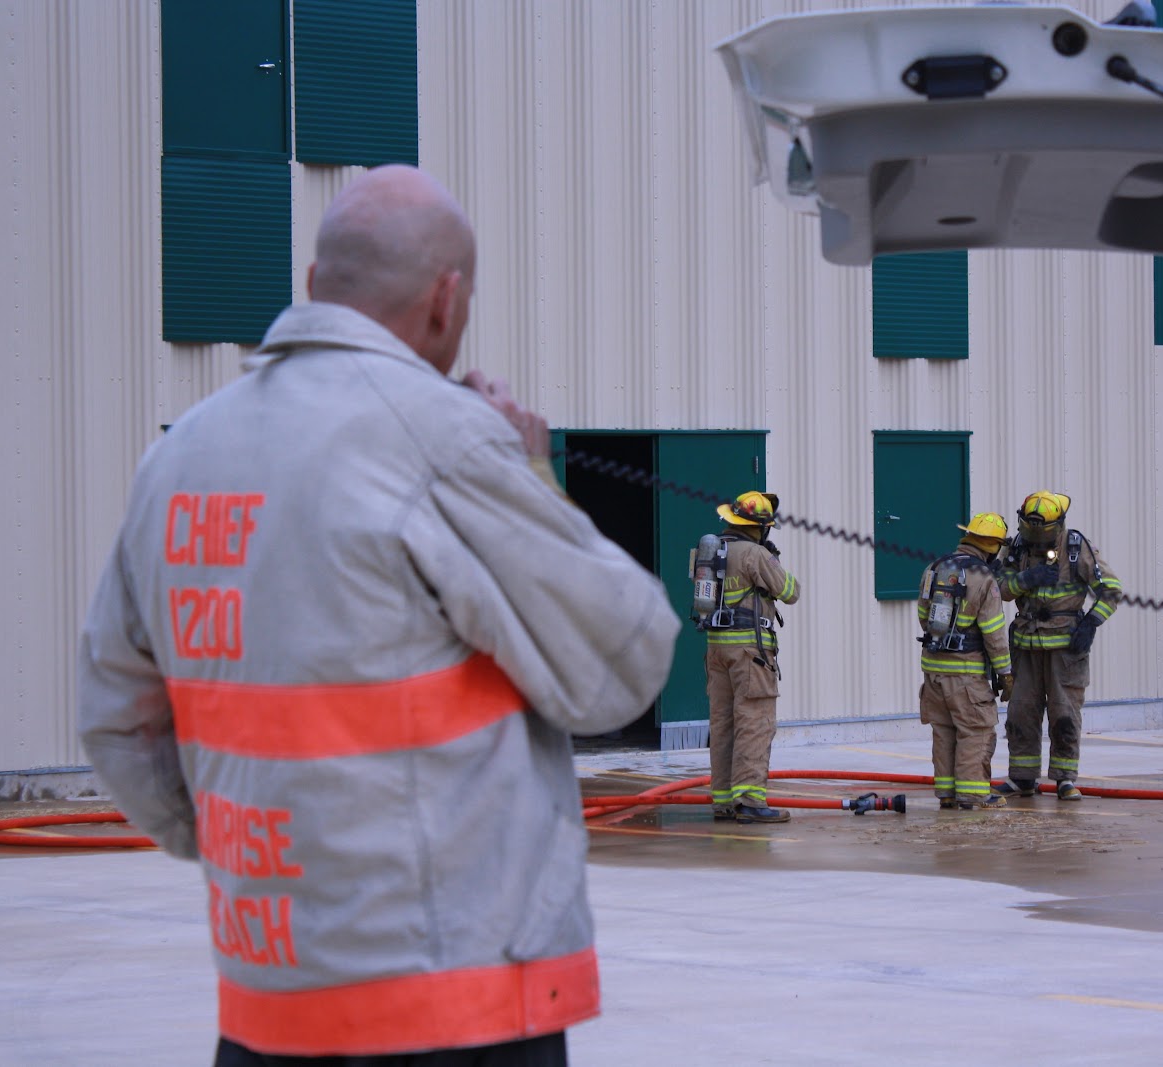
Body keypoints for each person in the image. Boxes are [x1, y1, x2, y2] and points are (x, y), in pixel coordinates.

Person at [77, 165, 680, 1066]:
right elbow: (623, 659)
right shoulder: (442, 439)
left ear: (317, 284)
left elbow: (115, 721)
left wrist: (256, 856)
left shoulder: (178, 456)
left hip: (267, 1006)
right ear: (447, 302)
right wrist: (526, 472)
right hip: (452, 1009)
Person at [993, 491, 1122, 801]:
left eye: (1044, 531)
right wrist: (1027, 578)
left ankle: (1064, 779)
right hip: (1026, 645)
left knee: (1065, 713)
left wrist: (1091, 623)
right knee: (1021, 712)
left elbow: (1111, 590)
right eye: (1031, 529)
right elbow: (998, 588)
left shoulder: (1076, 547)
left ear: (1059, 525)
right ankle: (1022, 778)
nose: (1037, 537)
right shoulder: (1016, 548)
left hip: (1066, 647)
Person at [701, 490, 802, 824]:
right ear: (760, 527)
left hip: (716, 649)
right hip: (750, 654)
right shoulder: (755, 554)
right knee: (754, 722)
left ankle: (723, 801)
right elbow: (791, 593)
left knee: (724, 724)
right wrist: (772, 559)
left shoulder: (711, 551)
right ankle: (750, 801)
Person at [917, 513, 1015, 810]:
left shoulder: (934, 568)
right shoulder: (985, 579)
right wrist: (1006, 674)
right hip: (967, 674)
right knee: (976, 731)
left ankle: (946, 794)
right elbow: (994, 633)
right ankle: (973, 795)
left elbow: (924, 617)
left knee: (944, 731)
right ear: (992, 546)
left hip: (933, 672)